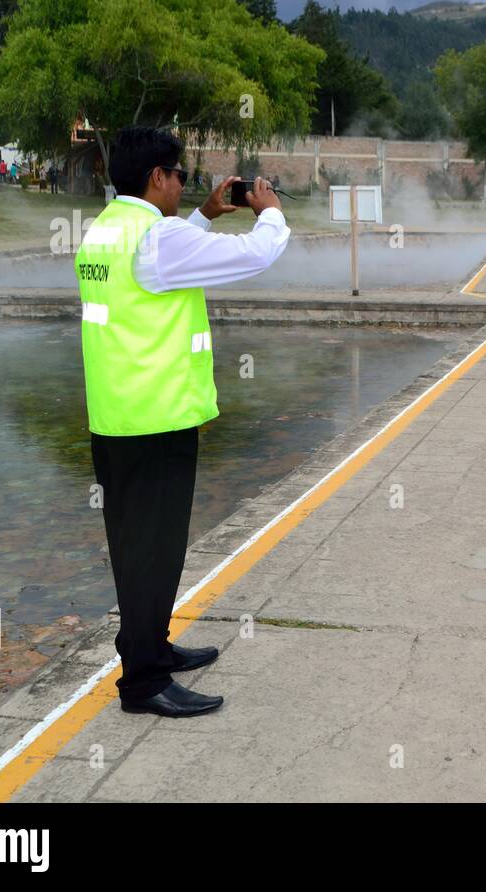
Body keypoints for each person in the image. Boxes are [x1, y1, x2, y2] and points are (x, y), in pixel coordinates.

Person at [75, 125, 291, 718]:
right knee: (153, 551)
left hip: (118, 419)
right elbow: (256, 255)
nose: (181, 185)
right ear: (156, 178)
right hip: (156, 421)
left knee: (142, 548)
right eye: (178, 176)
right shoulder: (154, 240)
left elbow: (156, 274)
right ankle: (142, 684)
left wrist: (201, 215)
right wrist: (268, 213)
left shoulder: (106, 232)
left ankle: (151, 648)